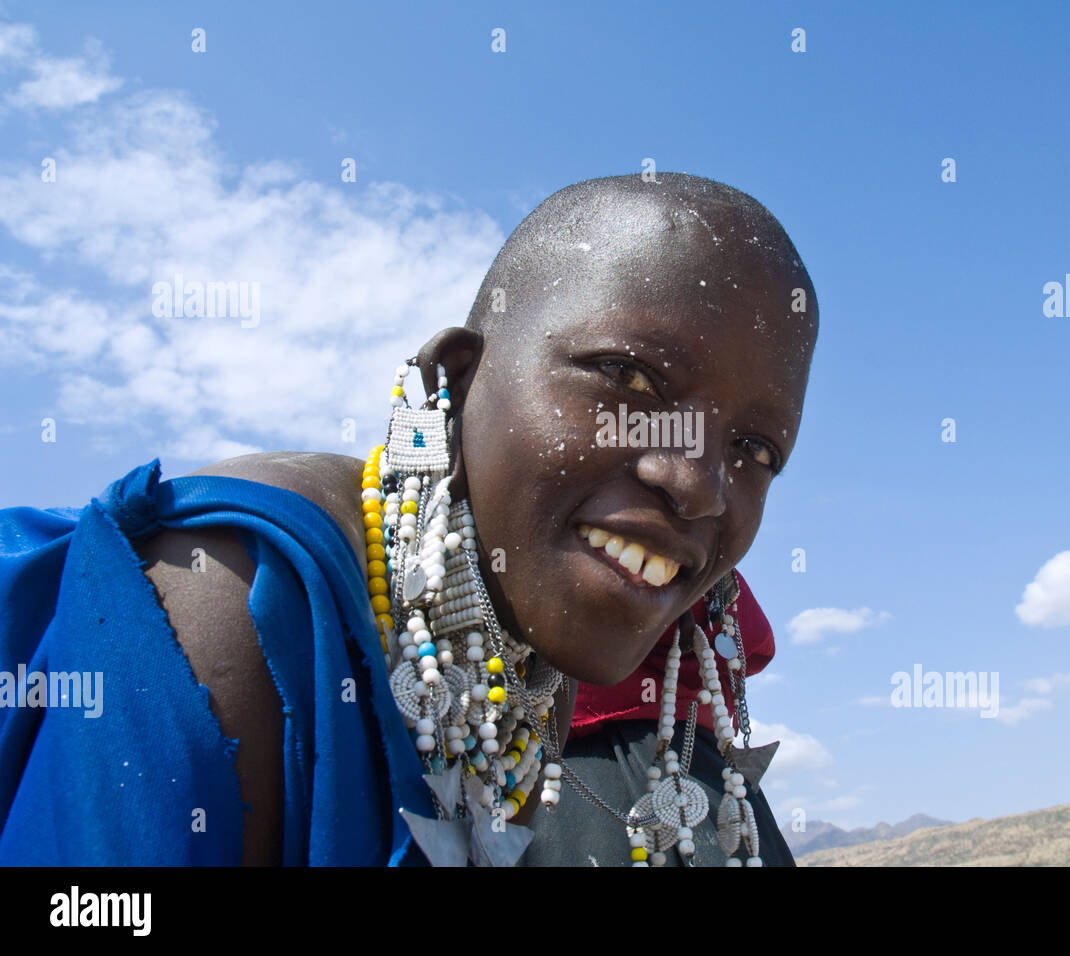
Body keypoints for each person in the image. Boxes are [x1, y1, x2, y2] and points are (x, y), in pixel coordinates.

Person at [0, 172, 817, 866]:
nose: (701, 485)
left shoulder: (528, 677)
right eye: (630, 380)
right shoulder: (236, 600)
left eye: (754, 447)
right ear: (456, 381)